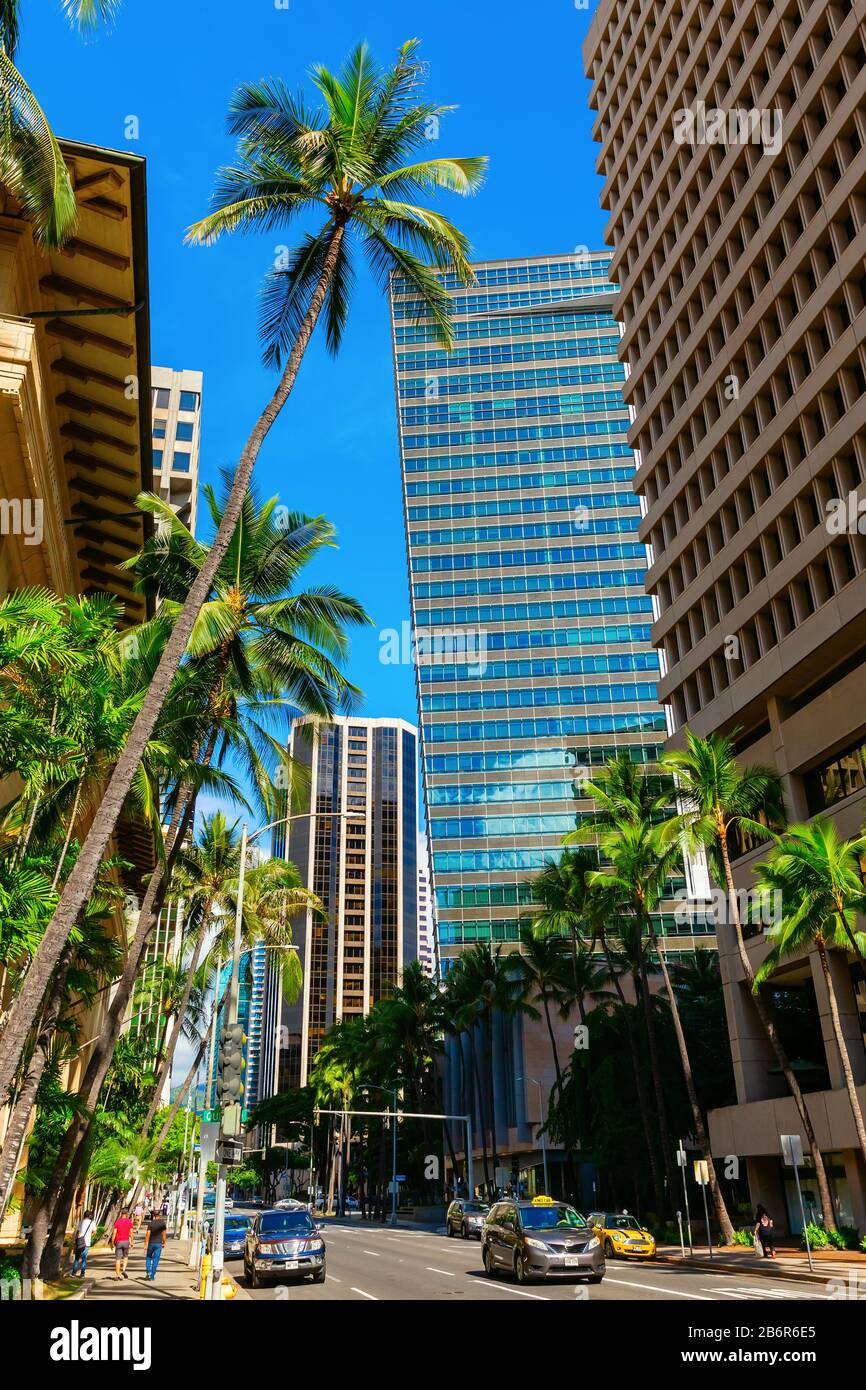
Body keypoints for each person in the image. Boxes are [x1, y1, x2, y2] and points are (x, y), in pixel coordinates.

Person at [144, 1208, 167, 1281]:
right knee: (156, 1260)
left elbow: (147, 1234)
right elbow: (164, 1234)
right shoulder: (162, 1223)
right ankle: (152, 1276)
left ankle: (148, 1272)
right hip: (158, 1244)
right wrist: (164, 1242)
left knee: (148, 1257)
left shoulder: (151, 1223)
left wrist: (146, 1244)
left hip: (151, 1243)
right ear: (159, 1215)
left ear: (153, 1215)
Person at [111, 1208, 135, 1280]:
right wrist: (132, 1242)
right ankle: (123, 1270)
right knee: (125, 1257)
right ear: (127, 1214)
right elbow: (131, 1233)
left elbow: (114, 1233)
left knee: (118, 1259)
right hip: (126, 1242)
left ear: (121, 1214)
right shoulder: (129, 1222)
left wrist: (112, 1242)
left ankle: (117, 1276)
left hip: (118, 1242)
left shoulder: (117, 1222)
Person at [71, 1209, 95, 1277]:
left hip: (79, 1242)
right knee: (84, 1258)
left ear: (84, 1215)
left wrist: (75, 1241)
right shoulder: (92, 1223)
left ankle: (73, 1273)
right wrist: (90, 1235)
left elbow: (77, 1233)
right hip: (86, 1243)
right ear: (89, 1215)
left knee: (77, 1258)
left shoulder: (80, 1222)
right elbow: (94, 1232)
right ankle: (82, 1274)